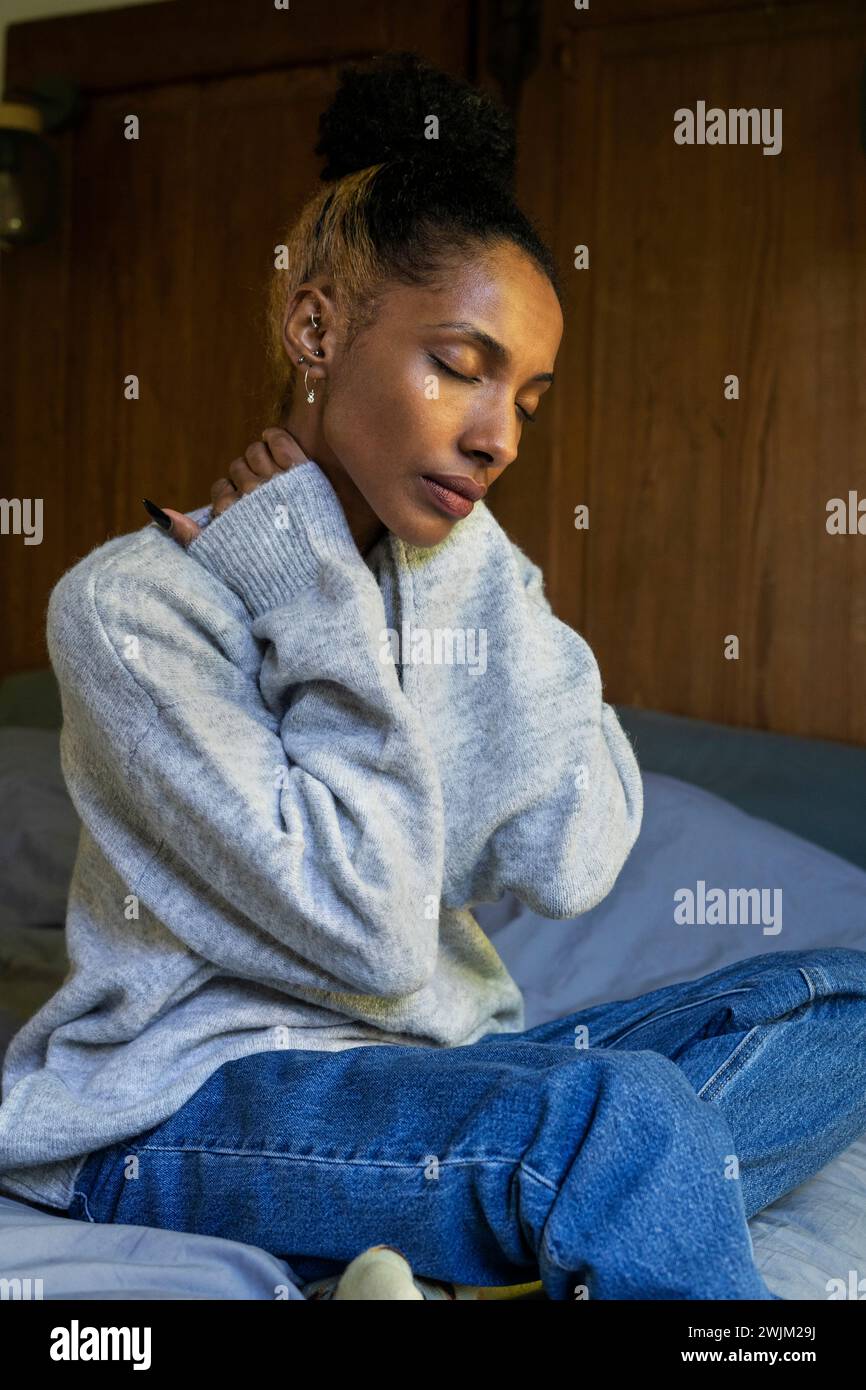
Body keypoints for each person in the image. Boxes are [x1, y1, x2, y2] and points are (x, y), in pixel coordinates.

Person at [1, 52, 864, 1302]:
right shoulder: (133, 606)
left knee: (839, 1002)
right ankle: (570, 1209)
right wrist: (310, 595)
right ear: (316, 327)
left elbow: (574, 852)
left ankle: (495, 1234)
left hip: (444, 1068)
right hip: (188, 1107)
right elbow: (365, 919)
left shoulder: (457, 571)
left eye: (526, 396)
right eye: (460, 364)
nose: (499, 434)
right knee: (616, 1117)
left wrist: (462, 566)